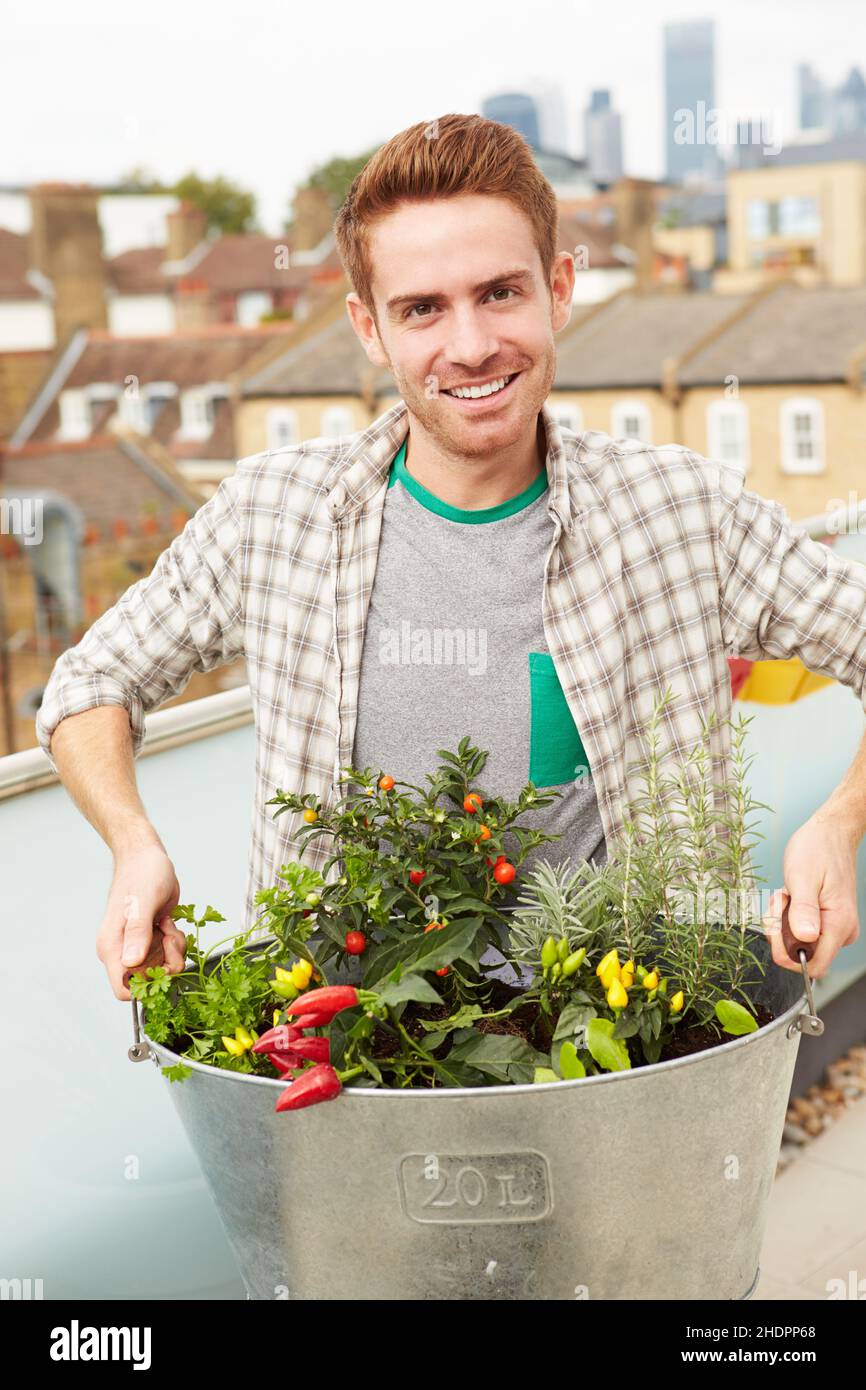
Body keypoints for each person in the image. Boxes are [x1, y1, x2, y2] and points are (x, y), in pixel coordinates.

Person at [36, 113, 866, 1000]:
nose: (470, 346)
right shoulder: (272, 516)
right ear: (368, 328)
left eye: (500, 293)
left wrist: (837, 826)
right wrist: (135, 848)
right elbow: (90, 687)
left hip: (642, 1057)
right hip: (348, 1068)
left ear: (559, 289)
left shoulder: (682, 511)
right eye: (422, 309)